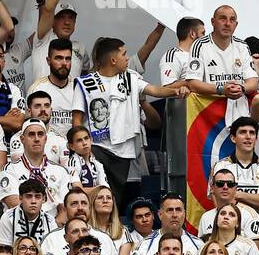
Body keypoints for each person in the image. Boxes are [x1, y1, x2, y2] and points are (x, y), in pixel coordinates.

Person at [73, 38, 189, 203]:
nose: (127, 58)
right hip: (97, 150)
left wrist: (176, 91)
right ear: (113, 60)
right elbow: (76, 120)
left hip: (123, 153)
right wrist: (82, 151)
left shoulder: (131, 78)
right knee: (96, 199)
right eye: (124, 54)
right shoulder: (85, 83)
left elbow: (155, 90)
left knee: (113, 201)